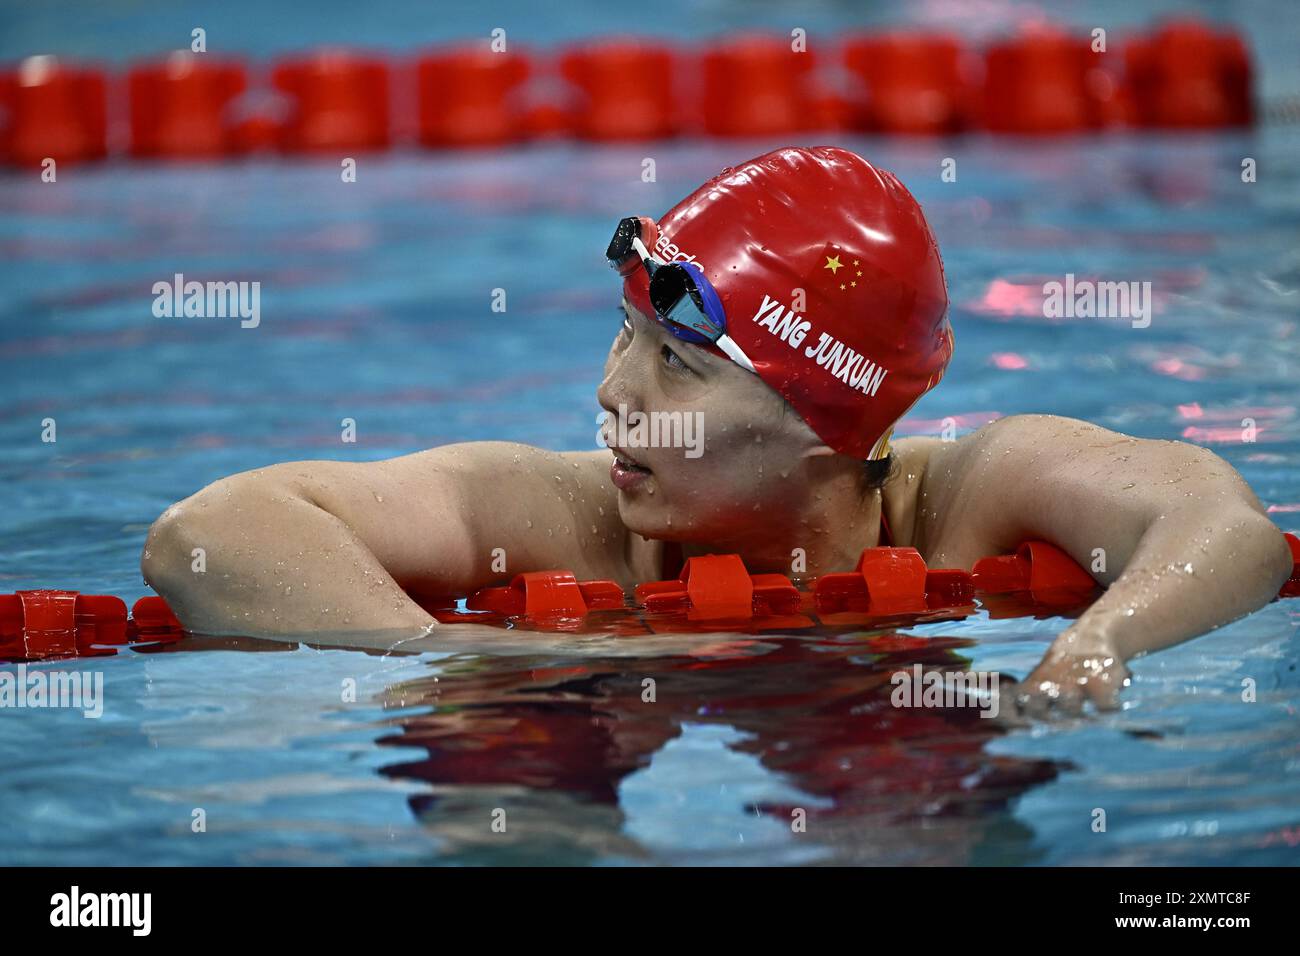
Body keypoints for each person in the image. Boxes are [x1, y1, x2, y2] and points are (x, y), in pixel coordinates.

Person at [140, 145, 1294, 715]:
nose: (612, 394)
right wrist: (458, 660)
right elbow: (209, 533)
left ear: (824, 420)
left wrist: (1102, 642)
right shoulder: (569, 522)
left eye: (676, 363)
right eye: (622, 337)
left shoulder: (974, 496)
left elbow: (1224, 525)